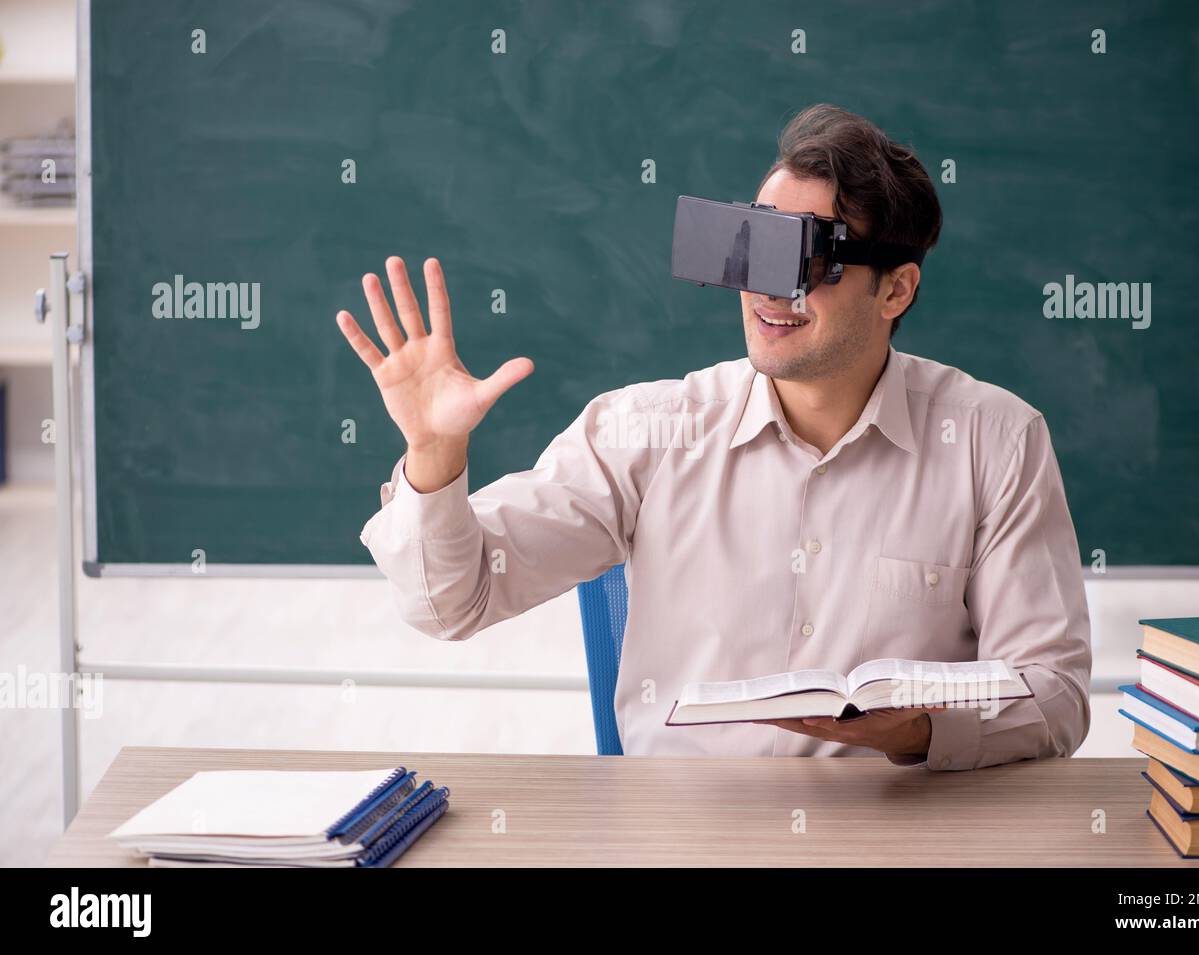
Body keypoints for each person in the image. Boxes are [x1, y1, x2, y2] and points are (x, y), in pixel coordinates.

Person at [335, 103, 1092, 769]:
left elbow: (1054, 696)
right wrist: (435, 453)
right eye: (755, 247)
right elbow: (454, 603)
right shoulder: (645, 432)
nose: (769, 289)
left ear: (895, 287)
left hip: (893, 836)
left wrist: (918, 730)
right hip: (673, 839)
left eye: (810, 257)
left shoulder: (996, 442)